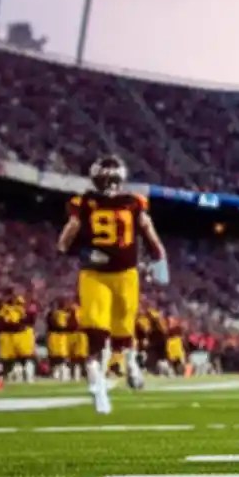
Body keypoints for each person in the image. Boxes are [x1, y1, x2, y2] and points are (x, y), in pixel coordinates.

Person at [57, 155, 169, 413]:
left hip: (102, 274)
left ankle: (119, 372)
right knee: (113, 331)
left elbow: (65, 240)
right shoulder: (133, 202)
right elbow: (148, 231)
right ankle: (114, 376)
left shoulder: (84, 202)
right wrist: (159, 256)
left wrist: (77, 252)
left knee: (108, 334)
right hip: (117, 274)